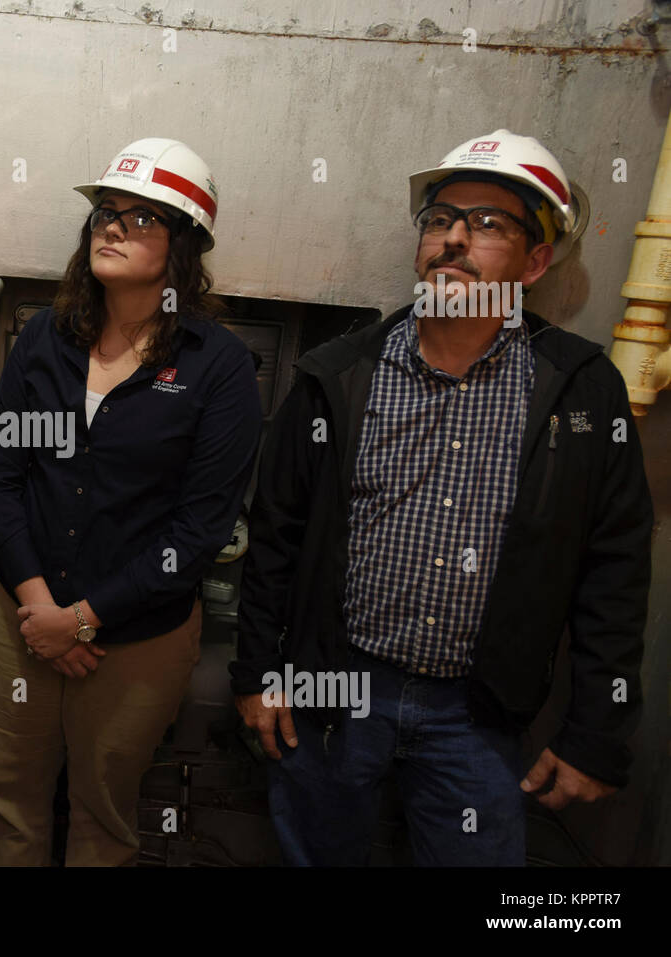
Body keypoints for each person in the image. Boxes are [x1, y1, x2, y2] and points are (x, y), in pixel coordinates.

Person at [230, 129, 653, 865]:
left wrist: (596, 734)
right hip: (336, 691)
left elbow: (613, 570)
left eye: (488, 223)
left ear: (537, 261)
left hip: (479, 712)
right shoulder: (339, 374)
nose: (453, 238)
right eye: (439, 218)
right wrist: (258, 674)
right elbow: (276, 536)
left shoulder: (578, 389)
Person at [0, 138, 262, 866]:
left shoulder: (217, 366)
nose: (113, 226)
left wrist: (82, 619)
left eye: (142, 218)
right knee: (11, 805)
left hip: (135, 640)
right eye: (107, 211)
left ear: (185, 246)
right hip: (22, 614)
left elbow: (199, 530)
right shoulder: (45, 336)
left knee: (103, 815)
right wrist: (41, 610)